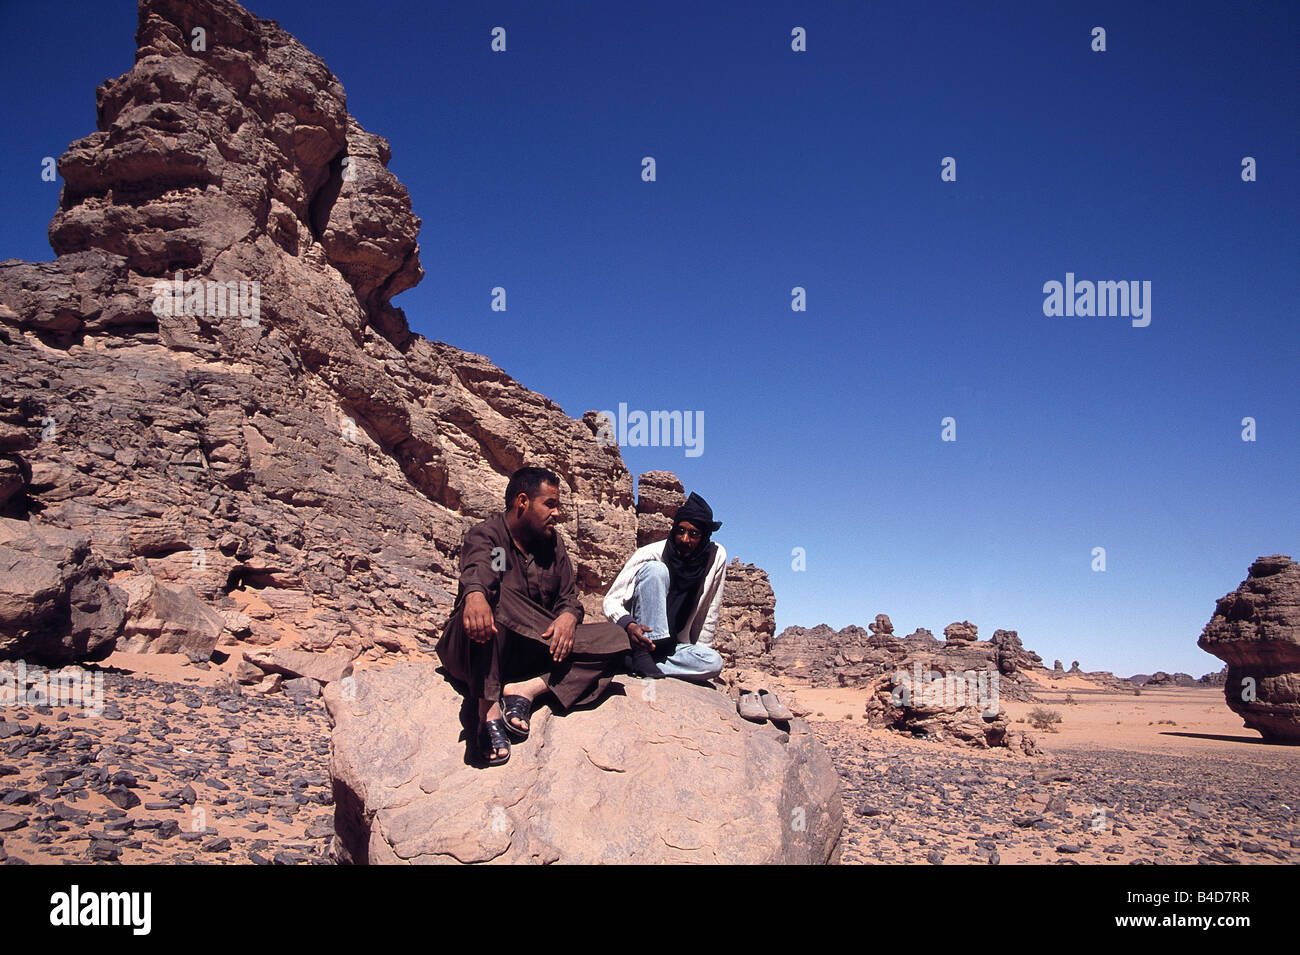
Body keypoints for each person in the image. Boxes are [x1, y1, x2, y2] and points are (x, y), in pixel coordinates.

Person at [436, 466, 630, 766]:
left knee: (618, 637)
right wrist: (474, 594)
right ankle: (486, 709)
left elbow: (569, 598)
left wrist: (567, 616)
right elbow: (481, 570)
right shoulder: (491, 537)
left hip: (529, 649)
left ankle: (528, 689)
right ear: (522, 502)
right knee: (493, 595)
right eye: (550, 504)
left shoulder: (553, 545)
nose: (558, 513)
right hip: (476, 647)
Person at [603, 492, 727, 682]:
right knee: (656, 570)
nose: (685, 539)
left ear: (704, 537)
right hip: (638, 640)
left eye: (693, 534)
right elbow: (611, 601)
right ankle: (641, 654)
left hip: (672, 647)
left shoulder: (715, 557)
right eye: (680, 531)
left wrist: (700, 652)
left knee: (713, 663)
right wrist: (629, 625)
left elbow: (709, 610)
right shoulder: (651, 553)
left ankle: (634, 662)